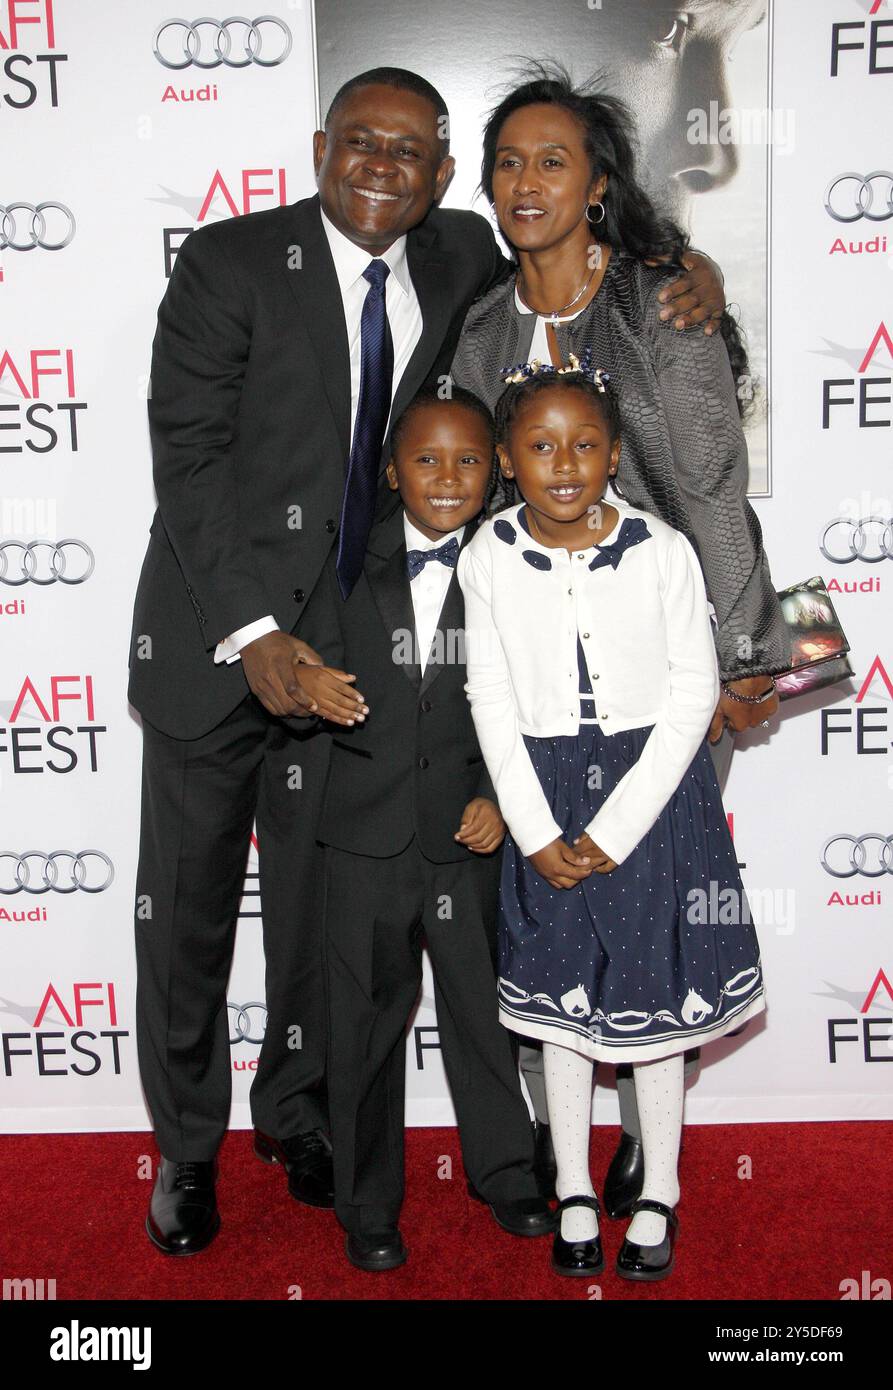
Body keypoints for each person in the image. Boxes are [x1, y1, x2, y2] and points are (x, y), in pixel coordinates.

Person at [127, 61, 726, 1254]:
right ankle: (187, 1152)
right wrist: (257, 637)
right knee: (188, 919)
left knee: (319, 915)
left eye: (412, 152)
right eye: (361, 141)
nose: (381, 167)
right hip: (222, 644)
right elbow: (185, 465)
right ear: (318, 147)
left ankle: (301, 1119)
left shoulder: (458, 252)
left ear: (442, 175)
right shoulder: (228, 263)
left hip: (375, 664)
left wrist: (683, 271)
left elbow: (574, 237)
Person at [449, 64, 790, 1214]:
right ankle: (569, 1160)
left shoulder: (659, 299)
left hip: (671, 664)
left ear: (596, 184)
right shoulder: (484, 327)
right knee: (559, 906)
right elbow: (470, 519)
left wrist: (746, 659)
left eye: (553, 160)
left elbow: (709, 481)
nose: (526, 181)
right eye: (508, 162)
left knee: (652, 895)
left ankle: (653, 1147)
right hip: (540, 680)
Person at [457, 358, 766, 1279]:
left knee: (654, 1007)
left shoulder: (662, 550)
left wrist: (616, 828)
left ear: (616, 455)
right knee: (561, 1012)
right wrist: (537, 828)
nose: (564, 463)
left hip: (654, 803)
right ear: (508, 460)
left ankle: (659, 1188)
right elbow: (490, 698)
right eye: (541, 446)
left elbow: (690, 695)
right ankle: (576, 1187)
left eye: (585, 445)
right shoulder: (488, 558)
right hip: (544, 797)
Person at [297, 388, 553, 1271]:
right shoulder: (341, 566)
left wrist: (498, 795)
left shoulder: (515, 568)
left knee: (484, 1015)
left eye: (468, 461)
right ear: (391, 470)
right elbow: (292, 677)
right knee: (361, 1027)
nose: (447, 478)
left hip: (466, 837)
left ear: (497, 473)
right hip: (361, 841)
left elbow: (531, 705)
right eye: (426, 461)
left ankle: (508, 1172)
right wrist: (305, 690)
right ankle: (367, 1202)